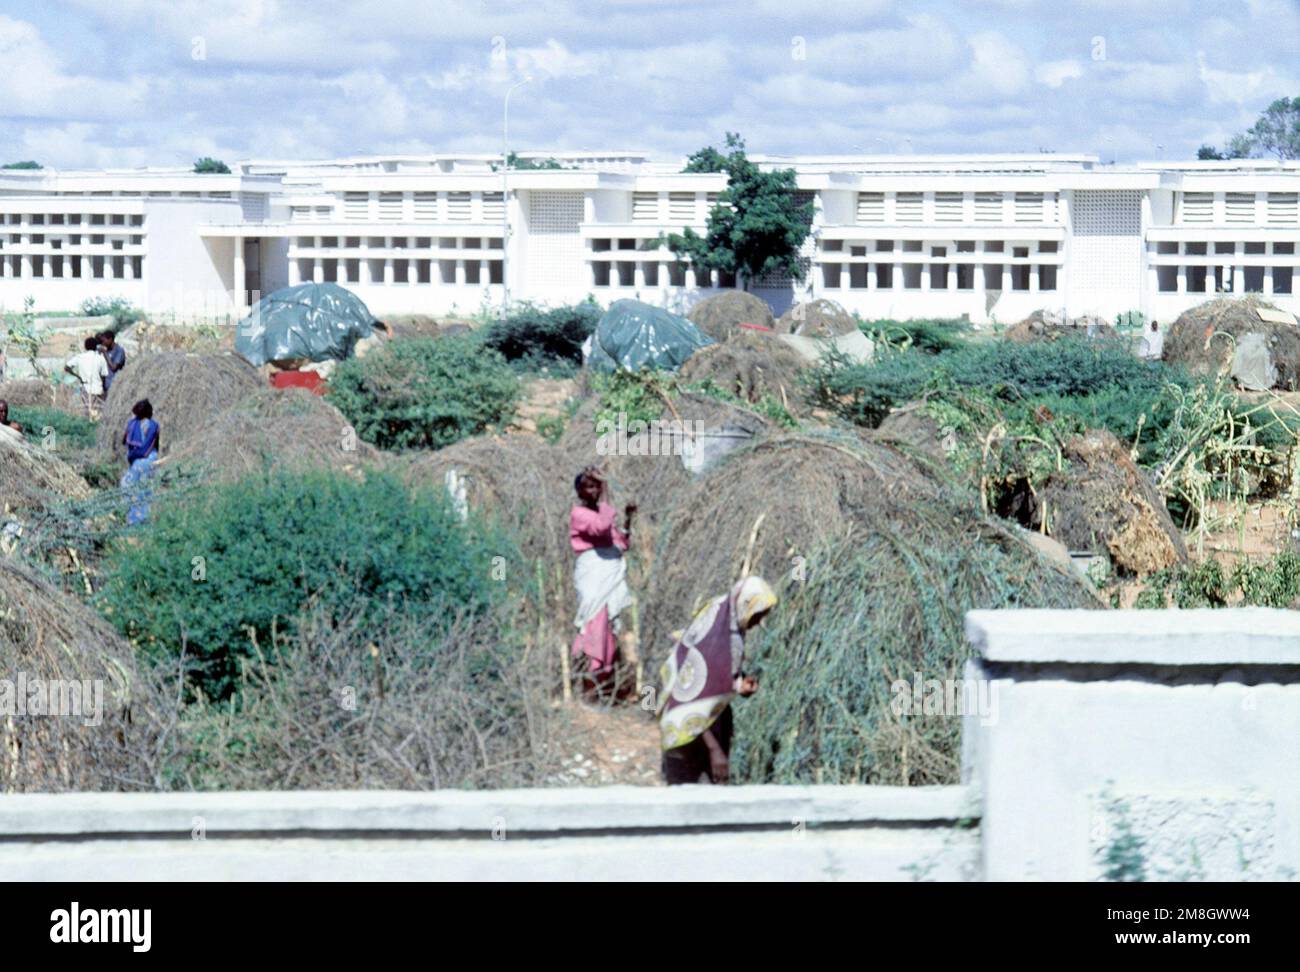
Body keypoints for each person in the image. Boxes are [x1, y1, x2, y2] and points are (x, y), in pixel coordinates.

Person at [658, 576, 777, 785]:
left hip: (703, 722)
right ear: (745, 604)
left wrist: (738, 684)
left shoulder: (722, 614)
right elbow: (694, 701)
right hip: (692, 733)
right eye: (757, 615)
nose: (758, 622)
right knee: (694, 800)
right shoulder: (716, 640)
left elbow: (713, 678)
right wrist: (715, 752)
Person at [569, 465, 638, 694]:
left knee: (607, 630)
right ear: (579, 492)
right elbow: (600, 528)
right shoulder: (579, 514)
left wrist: (628, 518)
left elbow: (621, 543)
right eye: (588, 487)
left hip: (608, 575)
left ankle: (601, 688)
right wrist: (607, 487)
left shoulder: (602, 512)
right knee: (592, 626)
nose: (594, 491)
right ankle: (587, 686)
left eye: (596, 486)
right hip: (593, 575)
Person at [120, 399, 160, 525]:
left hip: (140, 461)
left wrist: (131, 456)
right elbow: (148, 448)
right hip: (148, 460)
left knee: (128, 487)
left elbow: (129, 444)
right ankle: (139, 521)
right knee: (144, 490)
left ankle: (133, 521)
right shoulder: (153, 425)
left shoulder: (132, 424)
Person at [64, 336, 108, 417]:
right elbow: (104, 375)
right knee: (98, 411)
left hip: (86, 388)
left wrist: (78, 376)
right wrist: (103, 387)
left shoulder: (80, 357)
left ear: (85, 347)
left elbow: (67, 367)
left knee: (88, 410)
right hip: (98, 388)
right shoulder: (101, 358)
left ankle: (89, 424)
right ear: (96, 346)